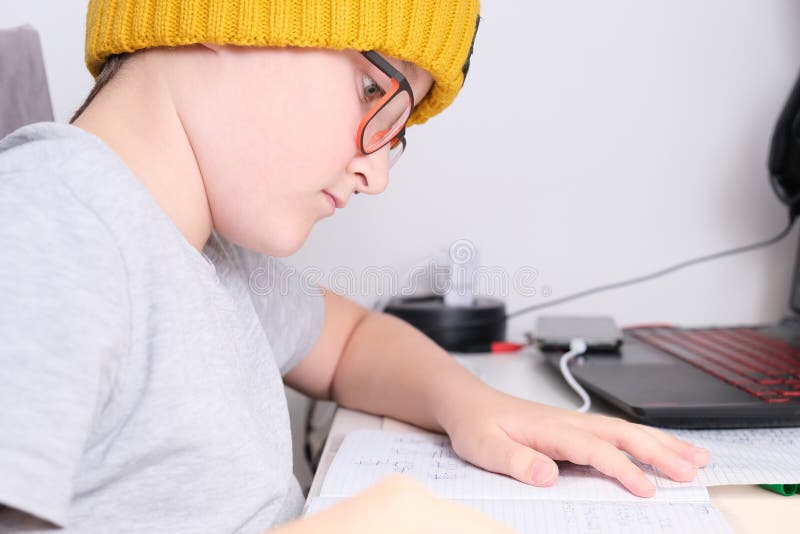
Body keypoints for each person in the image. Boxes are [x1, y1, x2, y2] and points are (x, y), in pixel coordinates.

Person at [0, 0, 709, 532]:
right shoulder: (53, 223)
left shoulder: (208, 257)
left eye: (397, 135)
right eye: (375, 91)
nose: (377, 174)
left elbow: (350, 345)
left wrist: (472, 407)